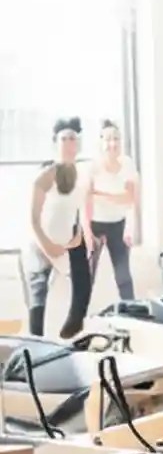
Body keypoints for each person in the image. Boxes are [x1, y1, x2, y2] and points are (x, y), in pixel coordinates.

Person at [23, 117, 93, 339]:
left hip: (67, 239)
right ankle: (36, 342)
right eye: (64, 139)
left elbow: (78, 208)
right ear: (56, 143)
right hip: (40, 241)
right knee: (38, 294)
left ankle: (71, 331)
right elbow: (33, 220)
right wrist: (47, 246)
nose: (68, 143)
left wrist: (79, 235)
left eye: (73, 138)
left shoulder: (82, 174)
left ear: (78, 144)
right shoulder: (45, 176)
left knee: (83, 284)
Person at [88, 119, 138, 301]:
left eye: (116, 139)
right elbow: (85, 200)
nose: (113, 143)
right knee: (87, 276)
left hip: (119, 224)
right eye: (108, 139)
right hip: (95, 224)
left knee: (123, 276)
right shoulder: (93, 166)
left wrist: (100, 194)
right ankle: (78, 318)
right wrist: (87, 234)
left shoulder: (127, 163)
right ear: (101, 142)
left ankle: (132, 313)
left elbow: (130, 198)